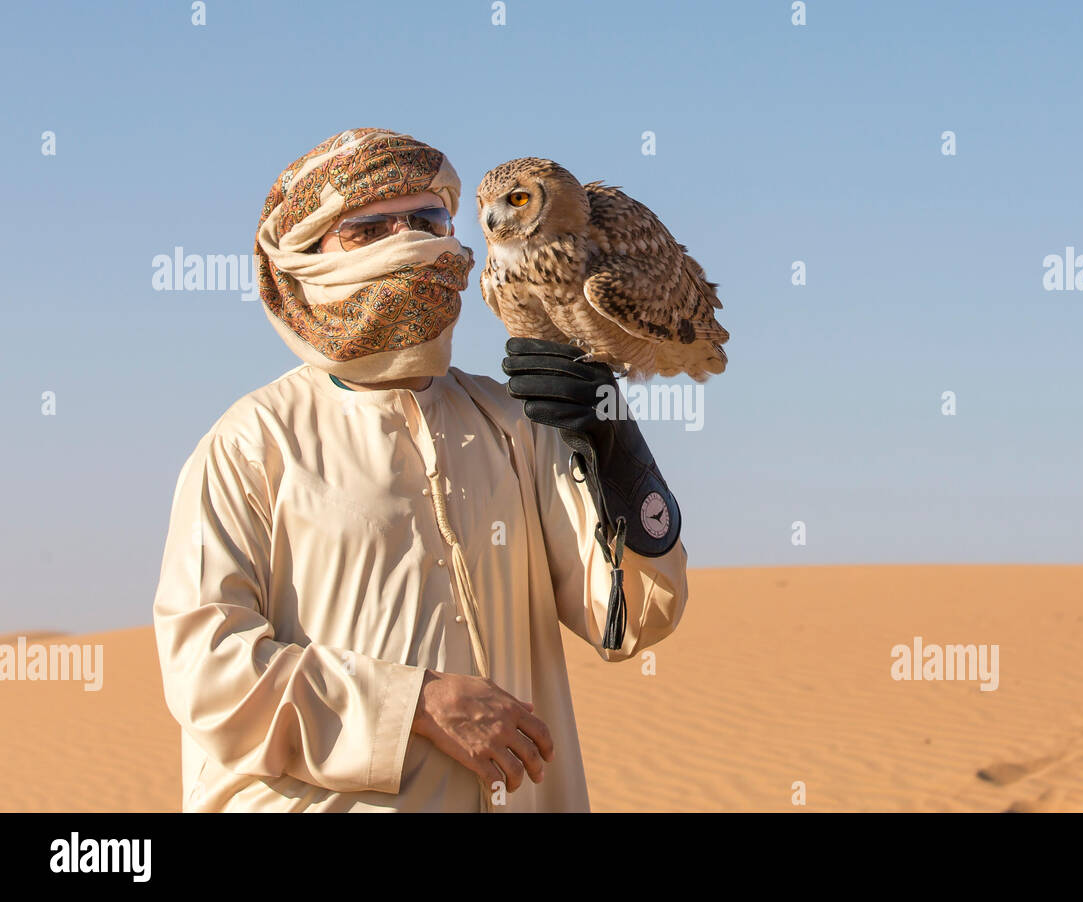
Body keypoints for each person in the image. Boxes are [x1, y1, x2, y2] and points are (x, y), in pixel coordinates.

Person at [152, 128, 689, 812]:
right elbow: (208, 673)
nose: (411, 243)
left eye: (428, 221)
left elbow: (632, 620)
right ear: (310, 255)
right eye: (370, 228)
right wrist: (414, 705)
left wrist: (614, 444)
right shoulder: (250, 446)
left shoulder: (514, 422)